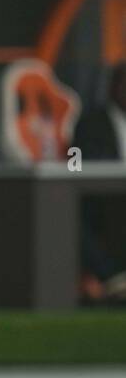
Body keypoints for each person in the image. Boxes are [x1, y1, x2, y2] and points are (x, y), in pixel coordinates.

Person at [72, 63, 126, 300]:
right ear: (116, 87)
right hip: (101, 203)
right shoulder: (91, 123)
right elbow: (78, 166)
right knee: (75, 220)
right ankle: (112, 277)